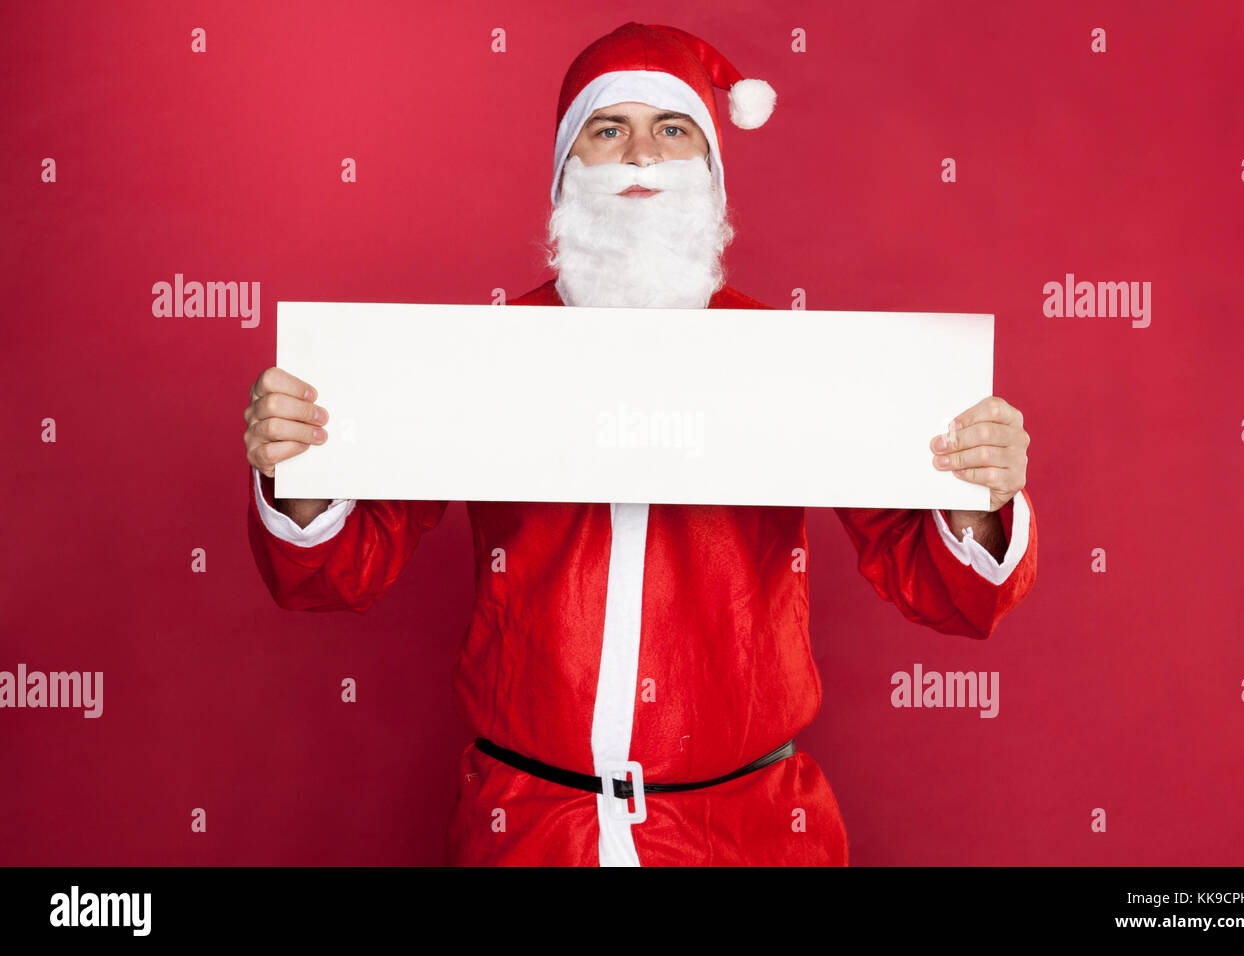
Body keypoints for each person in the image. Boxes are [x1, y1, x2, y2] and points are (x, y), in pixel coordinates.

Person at [242, 22, 1038, 866]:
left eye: (671, 130)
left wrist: (982, 495)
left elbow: (952, 595)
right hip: (530, 829)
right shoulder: (484, 352)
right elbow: (330, 576)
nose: (641, 158)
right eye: (608, 130)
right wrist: (299, 466)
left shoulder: (794, 357)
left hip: (750, 835)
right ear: (565, 167)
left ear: (710, 171)